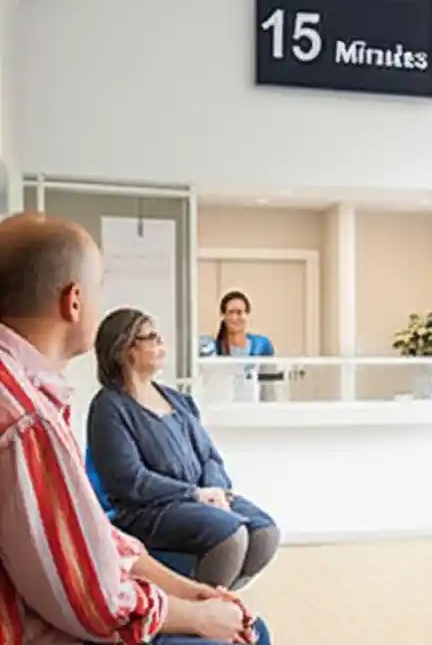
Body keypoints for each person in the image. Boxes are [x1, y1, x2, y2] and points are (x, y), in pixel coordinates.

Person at [0, 213, 269, 644]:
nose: (158, 344)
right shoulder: (33, 419)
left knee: (258, 534)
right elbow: (96, 602)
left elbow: (88, 535)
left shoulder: (34, 396)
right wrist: (192, 616)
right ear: (74, 301)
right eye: (99, 288)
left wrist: (185, 592)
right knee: (249, 623)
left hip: (100, 581)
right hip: (53, 619)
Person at [88, 307, 280, 590]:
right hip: (148, 509)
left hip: (200, 499)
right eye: (149, 337)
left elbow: (210, 457)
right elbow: (130, 480)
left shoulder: (178, 400)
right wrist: (194, 494)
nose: (160, 342)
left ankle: (217, 602)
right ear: (122, 349)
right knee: (230, 535)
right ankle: (197, 614)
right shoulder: (109, 407)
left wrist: (217, 494)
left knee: (264, 533)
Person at [201, 291, 274, 357]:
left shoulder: (261, 345)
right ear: (223, 315)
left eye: (239, 312)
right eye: (230, 312)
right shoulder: (211, 347)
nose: (234, 318)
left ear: (247, 314)